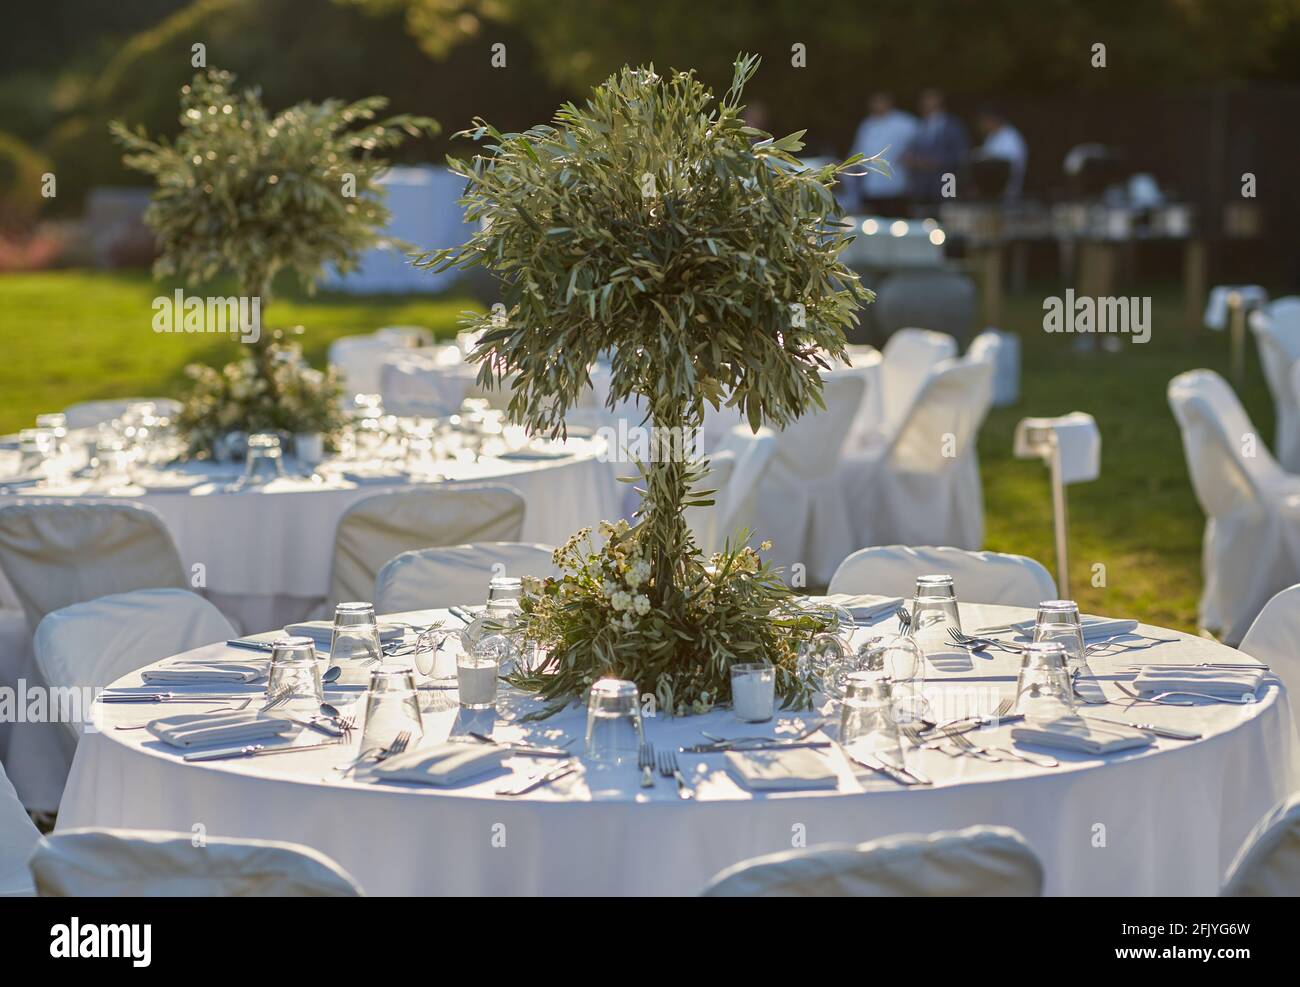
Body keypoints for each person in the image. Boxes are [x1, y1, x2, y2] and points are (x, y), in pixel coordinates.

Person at [849, 92, 917, 215]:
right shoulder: (867, 125)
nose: (877, 105)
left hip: (897, 186)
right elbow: (857, 152)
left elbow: (920, 145)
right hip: (871, 187)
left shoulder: (905, 123)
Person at [904, 89, 968, 204]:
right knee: (923, 215)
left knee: (947, 212)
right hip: (922, 184)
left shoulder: (953, 126)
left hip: (947, 179)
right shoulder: (921, 126)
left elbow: (960, 154)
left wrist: (935, 162)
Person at [974, 106, 1028, 200]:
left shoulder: (1011, 137)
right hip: (993, 192)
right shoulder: (992, 136)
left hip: (1008, 192)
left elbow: (1006, 166)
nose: (981, 125)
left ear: (993, 120)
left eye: (984, 121)